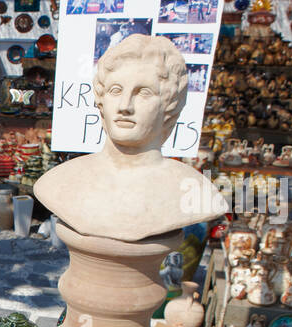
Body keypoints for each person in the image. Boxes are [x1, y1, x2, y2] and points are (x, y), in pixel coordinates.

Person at [34, 33, 224, 243]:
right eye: (115, 91)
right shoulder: (61, 181)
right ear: (101, 99)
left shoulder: (194, 190)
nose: (125, 106)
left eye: (143, 93)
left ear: (169, 106)